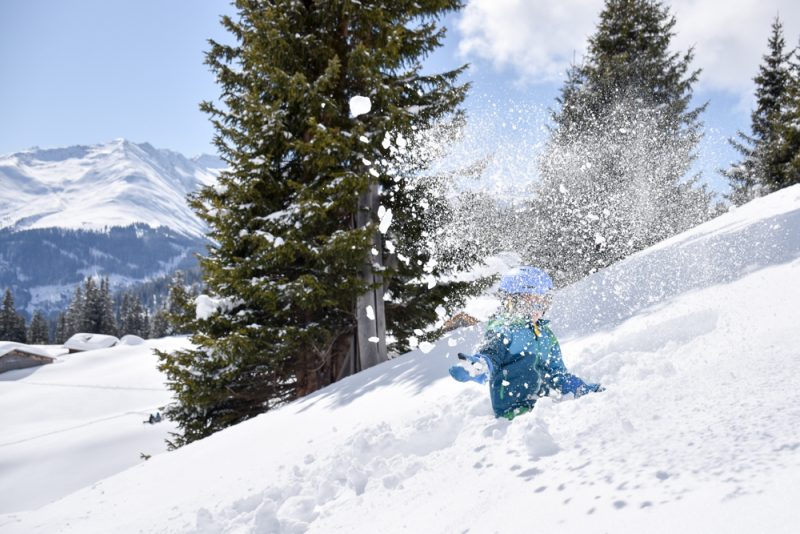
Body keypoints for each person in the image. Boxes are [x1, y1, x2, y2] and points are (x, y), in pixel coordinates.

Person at [449, 266, 602, 420]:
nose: (537, 309)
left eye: (542, 302)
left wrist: (580, 389)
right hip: (513, 412)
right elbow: (490, 355)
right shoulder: (503, 330)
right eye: (529, 302)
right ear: (511, 302)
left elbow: (557, 374)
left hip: (544, 408)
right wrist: (479, 365)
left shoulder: (546, 336)